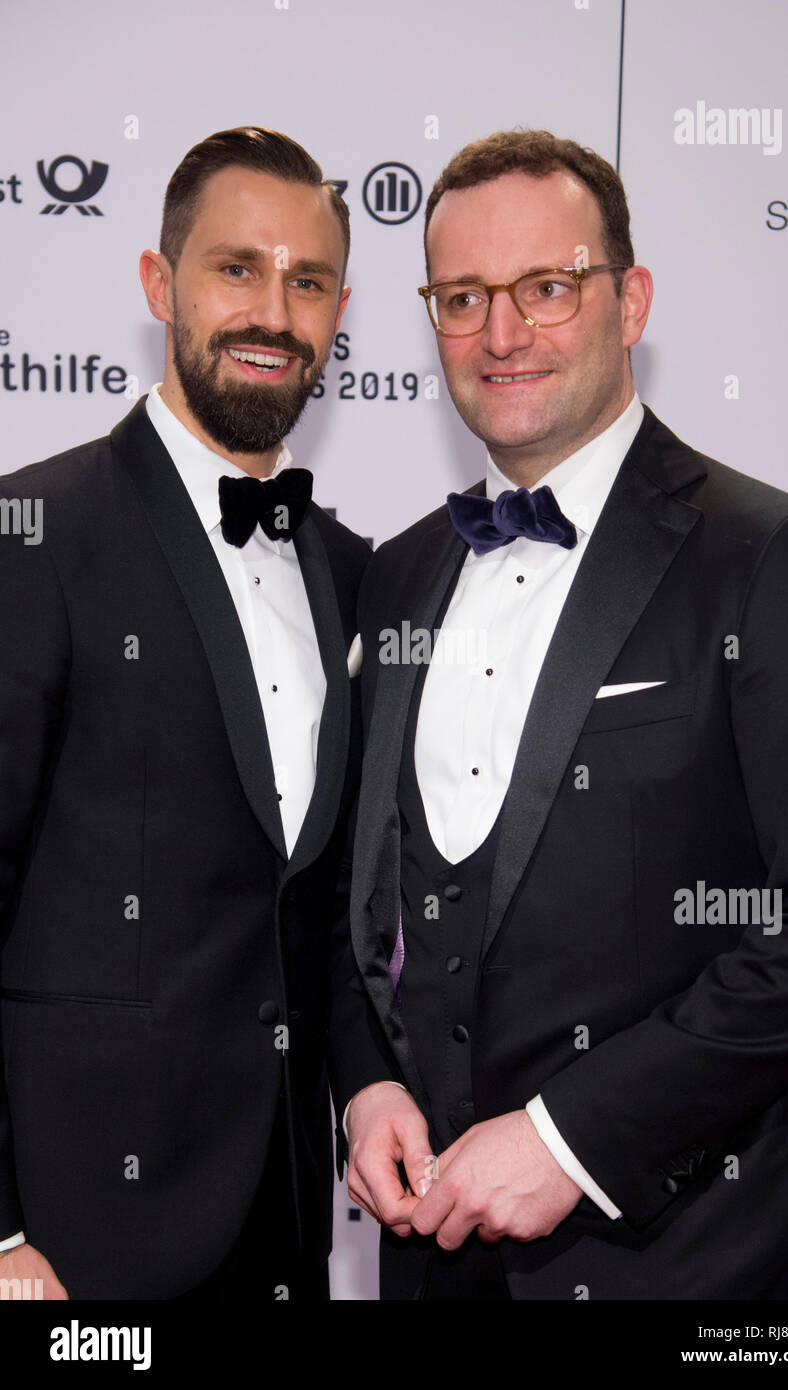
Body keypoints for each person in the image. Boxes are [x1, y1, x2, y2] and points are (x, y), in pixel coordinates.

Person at [342, 129, 788, 1300]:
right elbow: (357, 897)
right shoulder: (399, 572)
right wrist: (364, 1079)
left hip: (695, 1267)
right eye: (461, 297)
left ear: (626, 301)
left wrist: (570, 1138)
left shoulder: (775, 554)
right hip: (431, 1264)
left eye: (545, 286)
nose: (501, 334)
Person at [0, 126, 390, 1300]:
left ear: (338, 310)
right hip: (70, 1253)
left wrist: (368, 1086)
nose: (273, 309)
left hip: (283, 1233)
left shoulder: (355, 571)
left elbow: (326, 911)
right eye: (236, 268)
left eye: (307, 279)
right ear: (157, 283)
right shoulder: (36, 539)